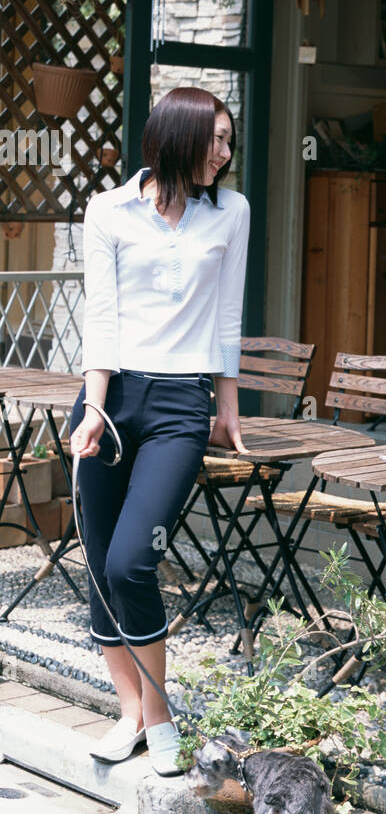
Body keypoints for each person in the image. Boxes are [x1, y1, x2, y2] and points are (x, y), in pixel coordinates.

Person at [68, 87, 250, 775]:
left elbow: (228, 313)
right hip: (111, 402)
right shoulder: (109, 211)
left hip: (180, 404)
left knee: (130, 561)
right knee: (97, 562)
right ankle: (131, 715)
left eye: (230, 140)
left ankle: (159, 711)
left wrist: (227, 404)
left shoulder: (230, 212)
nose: (225, 153)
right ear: (178, 137)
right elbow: (104, 318)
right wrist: (91, 407)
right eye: (217, 139)